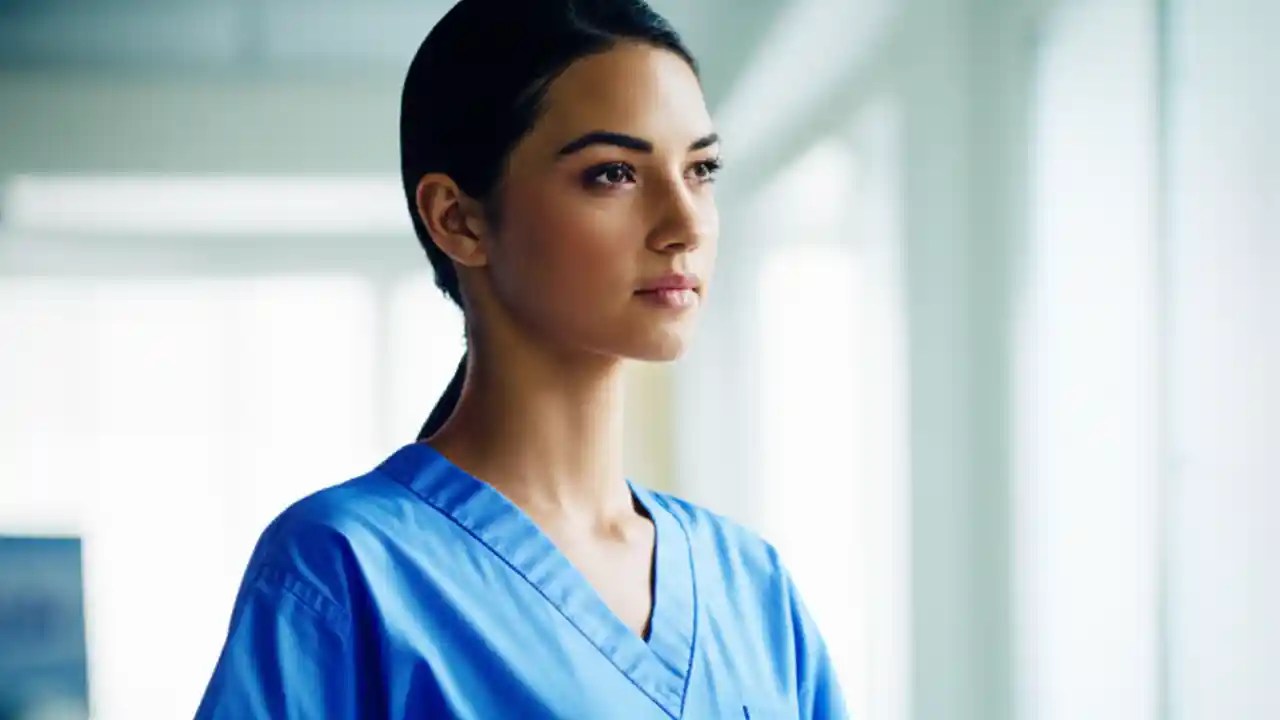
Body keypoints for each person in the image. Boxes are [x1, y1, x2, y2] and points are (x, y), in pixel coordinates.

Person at [195, 0, 847, 717]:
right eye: (613, 174)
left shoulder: (753, 588)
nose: (685, 224)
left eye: (701, 169)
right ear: (459, 219)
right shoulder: (346, 569)